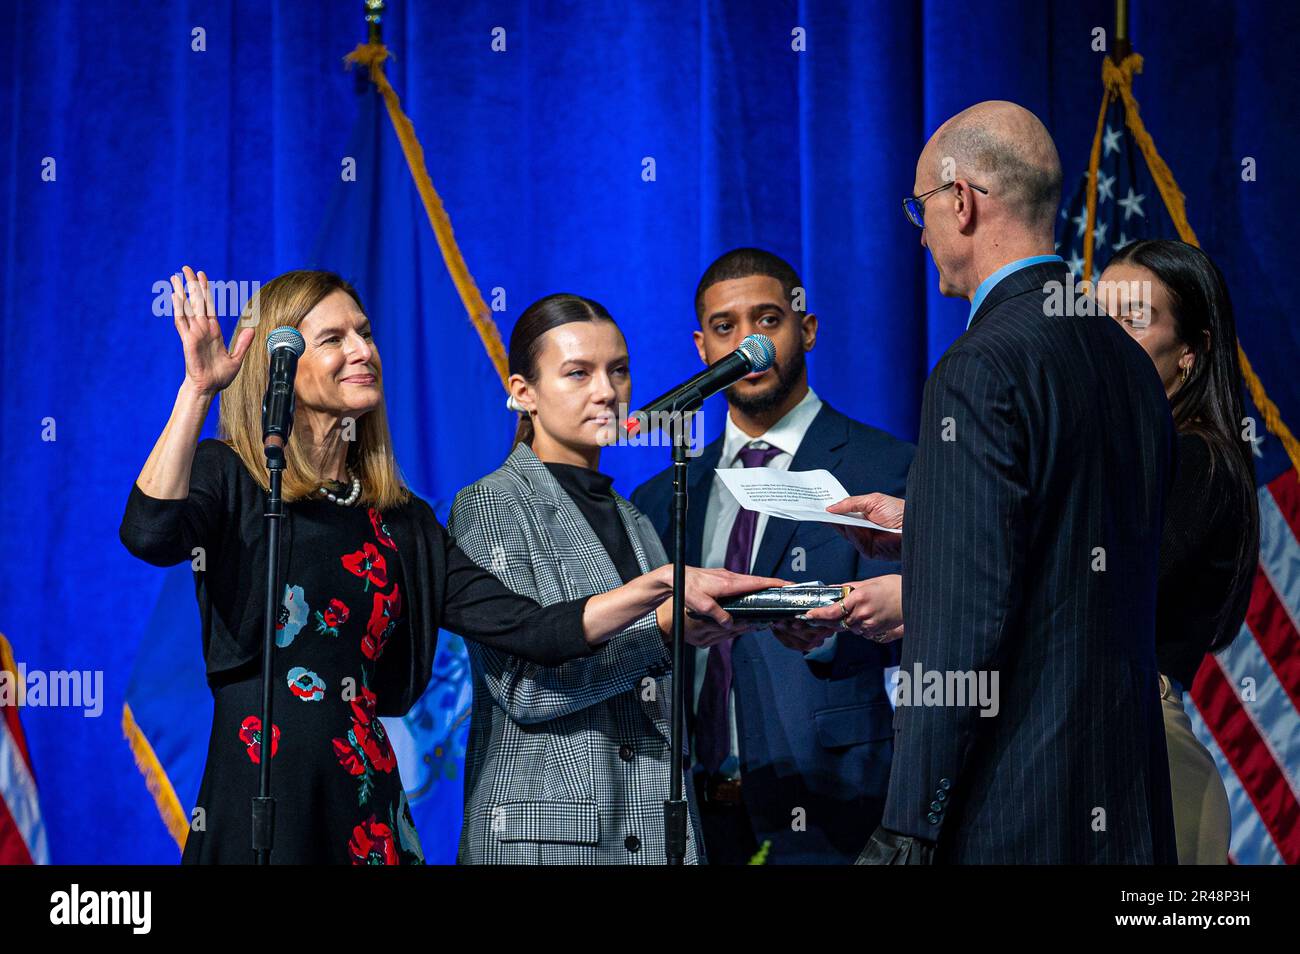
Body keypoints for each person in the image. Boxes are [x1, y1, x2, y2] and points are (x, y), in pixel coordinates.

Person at [119, 266, 779, 864]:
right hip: (255, 788)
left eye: (366, 333)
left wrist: (659, 586)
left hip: (363, 795)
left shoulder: (400, 520)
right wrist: (197, 393)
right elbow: (150, 534)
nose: (362, 350)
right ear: (279, 363)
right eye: (333, 339)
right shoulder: (233, 475)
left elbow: (531, 628)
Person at [839, 101, 1178, 864]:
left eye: (919, 206)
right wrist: (924, 522)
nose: (918, 230)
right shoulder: (1126, 359)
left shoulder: (978, 367)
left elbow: (966, 625)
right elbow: (1072, 535)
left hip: (1013, 814)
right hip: (1125, 808)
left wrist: (907, 825)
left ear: (961, 202)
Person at [449, 293, 783, 864]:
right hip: (547, 841)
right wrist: (658, 629)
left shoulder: (635, 517)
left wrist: (751, 620)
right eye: (577, 373)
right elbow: (525, 689)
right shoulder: (491, 504)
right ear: (522, 392)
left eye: (618, 370)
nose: (607, 391)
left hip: (653, 833)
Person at [632, 249, 914, 864]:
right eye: (725, 328)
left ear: (806, 329)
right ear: (701, 348)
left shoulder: (887, 466)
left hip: (833, 799)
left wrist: (828, 629)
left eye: (767, 320)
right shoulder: (663, 495)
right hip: (687, 813)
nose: (747, 342)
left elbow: (924, 620)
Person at [1099, 239, 1259, 863]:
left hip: (1140, 750)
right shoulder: (1111, 456)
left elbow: (1095, 592)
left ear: (1189, 353)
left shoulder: (1196, 461)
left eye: (1132, 319)